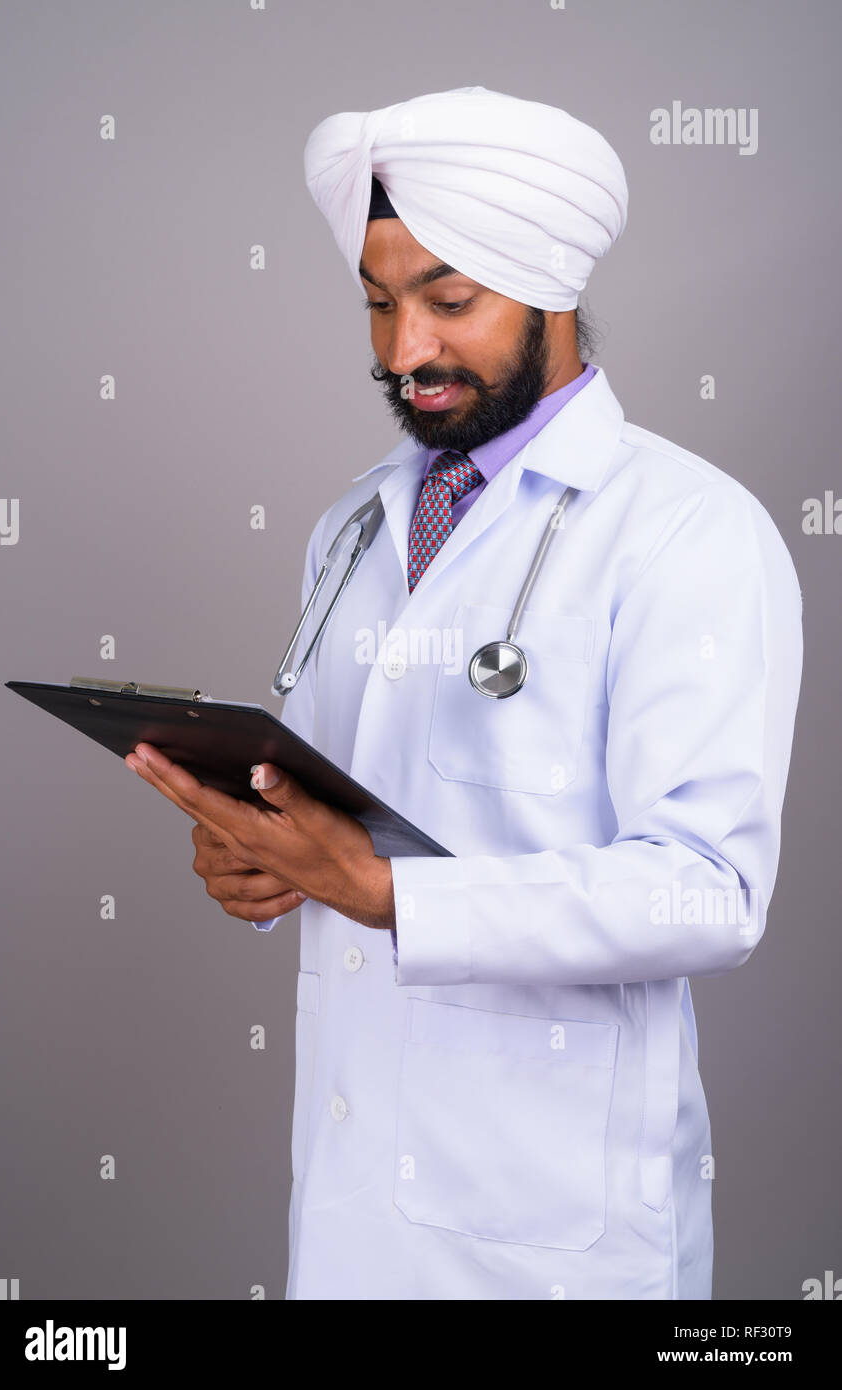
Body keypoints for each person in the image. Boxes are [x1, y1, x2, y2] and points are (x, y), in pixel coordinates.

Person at [125, 87, 803, 1300]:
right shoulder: (351, 526)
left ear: (548, 291)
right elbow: (351, 824)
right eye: (380, 303)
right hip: (348, 1211)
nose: (402, 352)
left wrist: (391, 895)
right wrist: (266, 856)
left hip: (551, 1232)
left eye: (449, 301)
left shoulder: (690, 531)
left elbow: (711, 889)